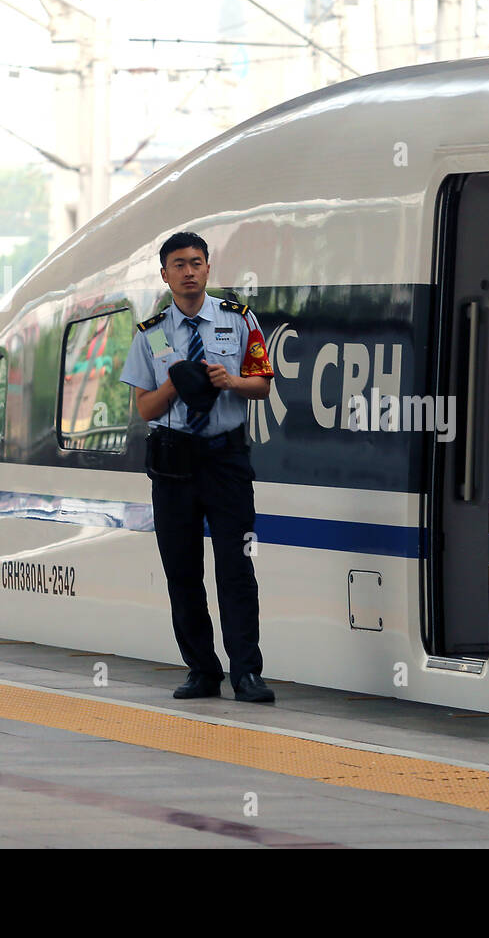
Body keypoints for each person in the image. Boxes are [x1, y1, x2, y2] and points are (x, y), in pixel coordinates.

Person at [120, 231, 277, 702]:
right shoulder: (151, 334)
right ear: (164, 274)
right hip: (173, 463)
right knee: (182, 570)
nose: (189, 272)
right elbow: (145, 409)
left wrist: (229, 381)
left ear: (208, 268)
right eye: (179, 265)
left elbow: (263, 385)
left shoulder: (239, 320)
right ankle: (202, 670)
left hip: (225, 458)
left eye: (197, 263)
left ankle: (247, 672)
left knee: (236, 567)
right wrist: (176, 385)